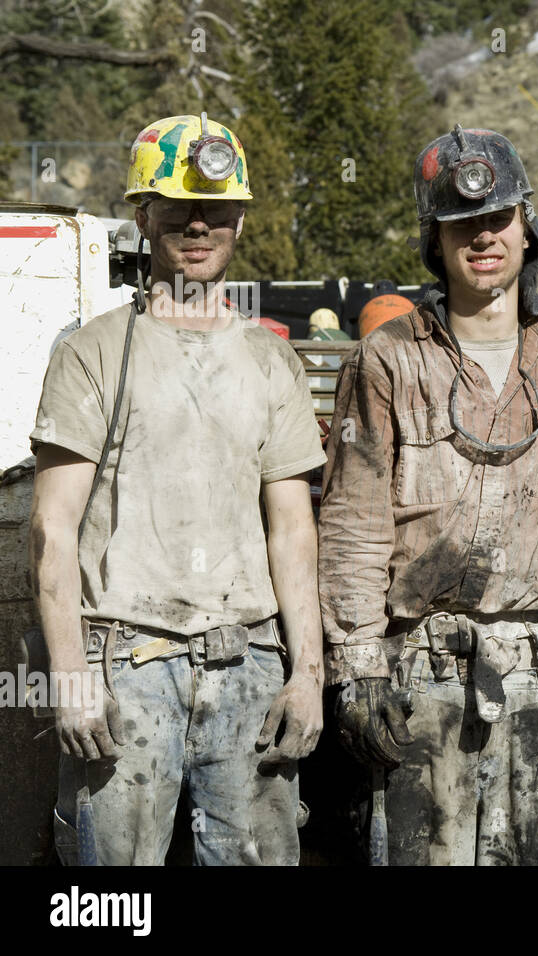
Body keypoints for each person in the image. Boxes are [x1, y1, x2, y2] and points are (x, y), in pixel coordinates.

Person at [317, 124, 538, 865]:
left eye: (499, 218)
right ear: (435, 238)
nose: (483, 237)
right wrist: (357, 670)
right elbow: (353, 519)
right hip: (421, 673)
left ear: (527, 228)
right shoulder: (387, 359)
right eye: (461, 223)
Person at [28, 113, 326, 865]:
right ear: (142, 217)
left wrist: (308, 675)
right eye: (177, 209)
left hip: (250, 664)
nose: (198, 225)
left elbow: (293, 530)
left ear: (239, 218)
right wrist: (68, 676)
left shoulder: (269, 360)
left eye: (215, 210)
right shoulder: (93, 352)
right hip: (128, 667)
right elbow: (51, 529)